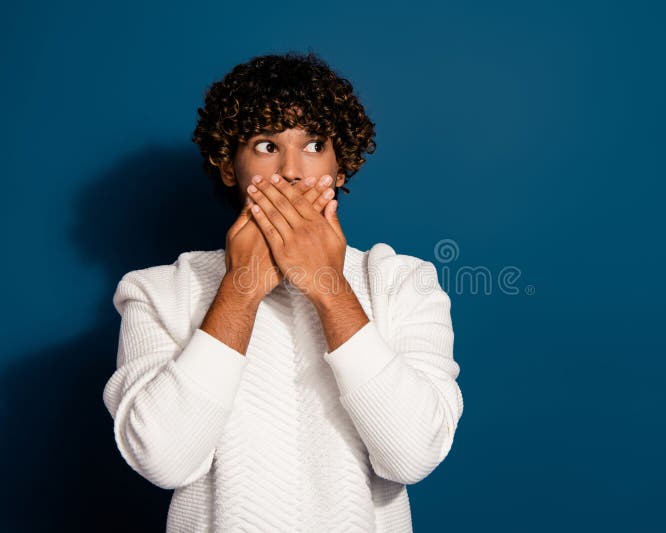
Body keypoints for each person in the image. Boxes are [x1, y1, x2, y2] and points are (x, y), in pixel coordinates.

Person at [102, 50, 464, 533]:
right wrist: (239, 289)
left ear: (339, 169)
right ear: (230, 167)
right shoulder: (158, 291)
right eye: (266, 145)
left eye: (314, 144)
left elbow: (412, 456)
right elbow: (164, 461)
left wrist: (330, 288)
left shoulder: (403, 283)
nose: (292, 171)